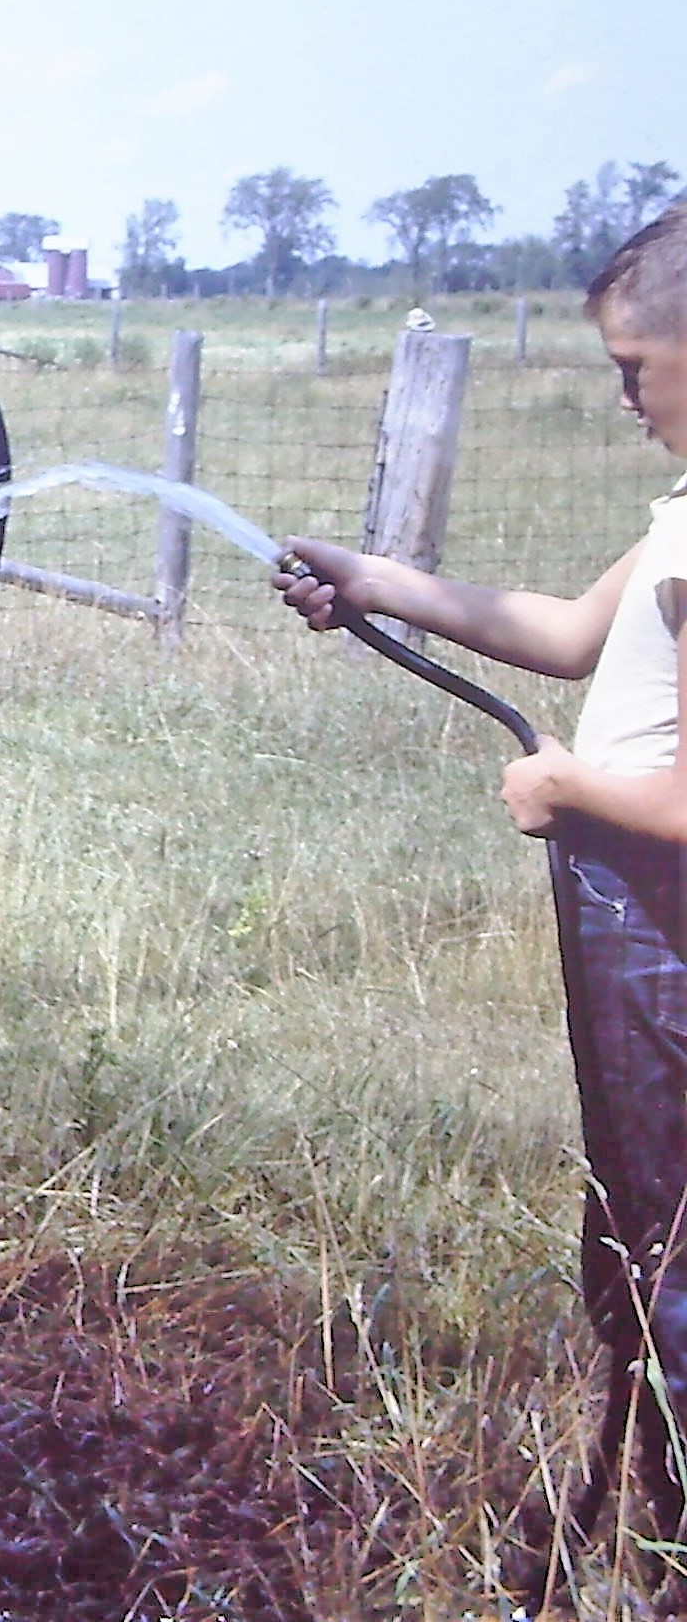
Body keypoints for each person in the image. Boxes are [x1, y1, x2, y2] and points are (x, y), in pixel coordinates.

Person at [277, 201, 687, 1557]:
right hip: (632, 910)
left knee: (672, 1244)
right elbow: (565, 634)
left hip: (663, 932)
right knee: (638, 1224)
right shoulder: (680, 518)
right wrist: (375, 581)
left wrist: (570, 792)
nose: (622, 397)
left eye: (635, 367)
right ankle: (643, 1517)